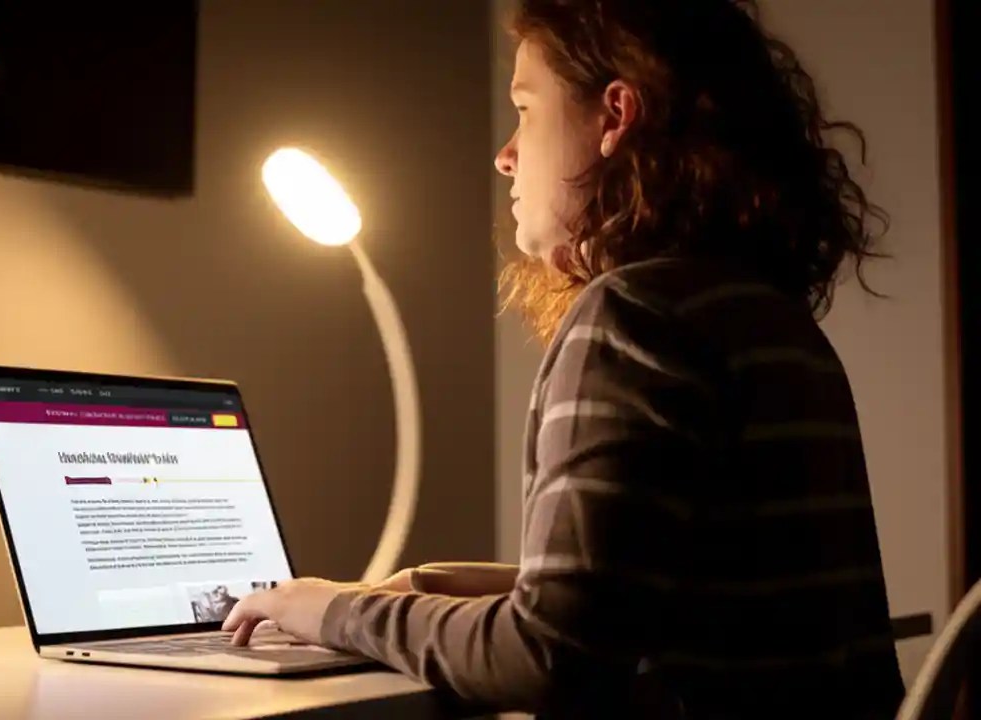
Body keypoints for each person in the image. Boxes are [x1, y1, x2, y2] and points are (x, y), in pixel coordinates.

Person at [223, 0, 906, 716]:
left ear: (614, 116)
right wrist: (426, 586)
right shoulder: (769, 321)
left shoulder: (633, 317)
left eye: (525, 109)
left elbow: (548, 655)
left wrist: (330, 613)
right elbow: (645, 595)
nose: (505, 154)